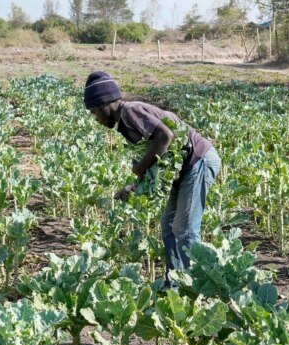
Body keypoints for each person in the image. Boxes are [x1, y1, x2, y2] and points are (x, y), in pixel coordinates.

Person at [83, 71, 220, 282]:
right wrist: (134, 186)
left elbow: (165, 136)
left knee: (184, 229)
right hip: (185, 166)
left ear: (103, 104)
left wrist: (139, 168)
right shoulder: (124, 123)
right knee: (169, 225)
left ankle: (199, 284)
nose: (96, 119)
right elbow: (156, 160)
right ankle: (175, 282)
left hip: (198, 161)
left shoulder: (129, 111)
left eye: (94, 113)